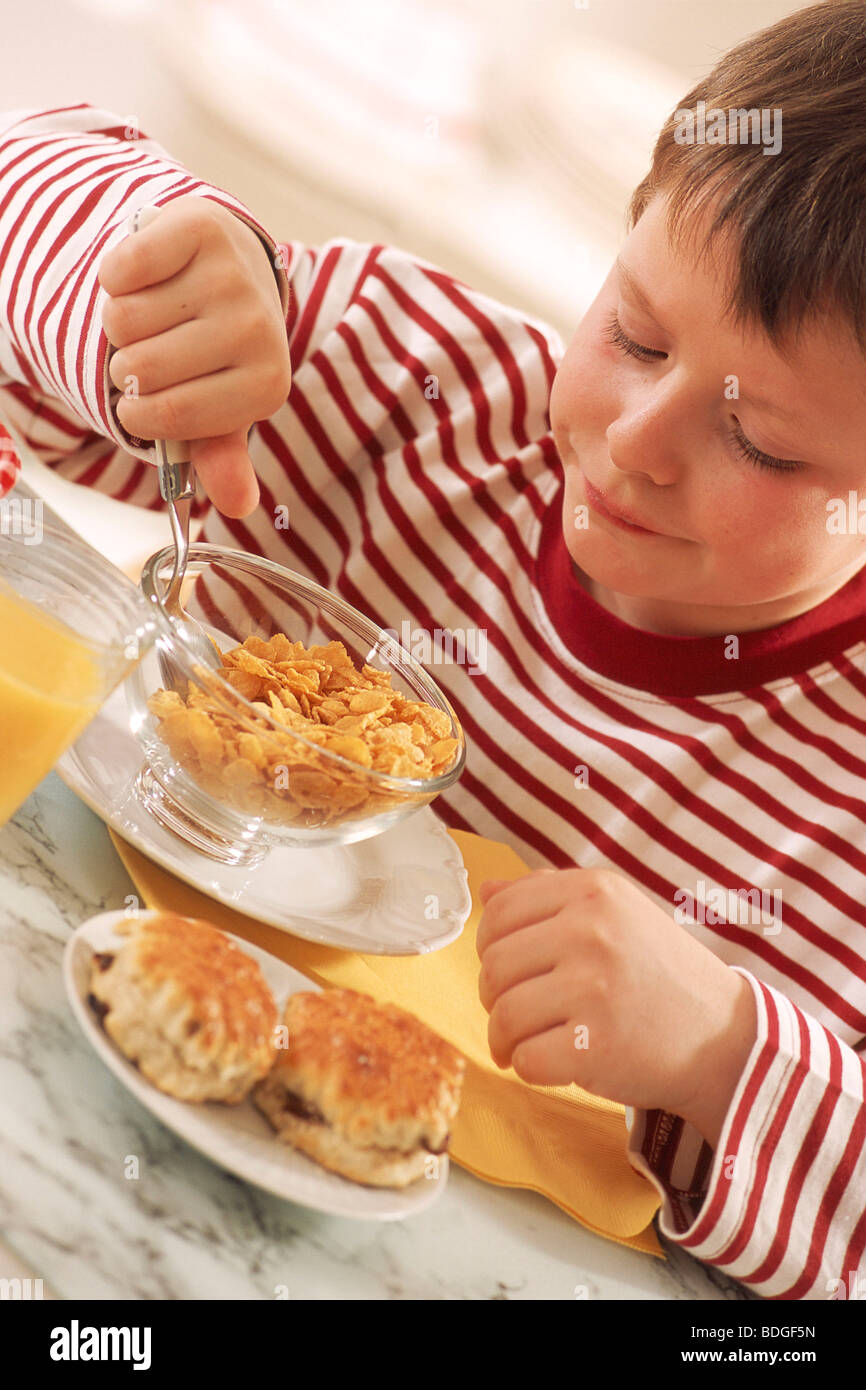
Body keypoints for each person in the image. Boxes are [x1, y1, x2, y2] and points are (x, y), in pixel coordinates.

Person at [0, 0, 864, 1300]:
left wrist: (725, 1052)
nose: (632, 441)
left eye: (762, 444)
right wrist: (158, 285)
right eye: (632, 332)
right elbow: (30, 179)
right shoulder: (402, 387)